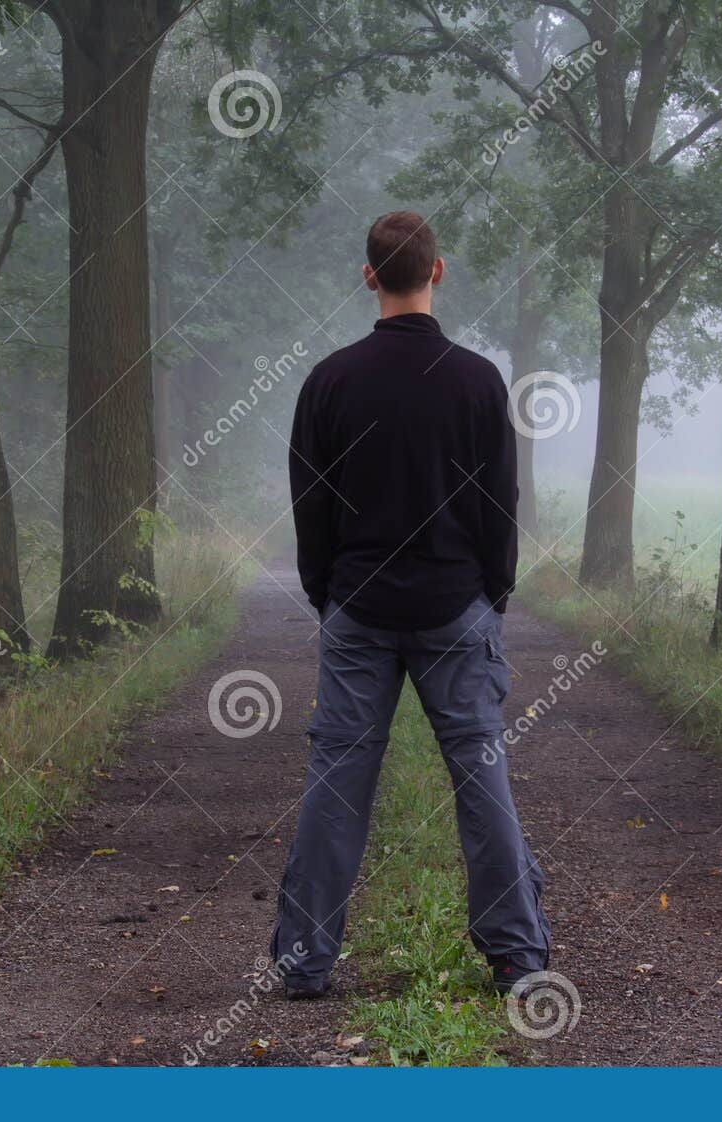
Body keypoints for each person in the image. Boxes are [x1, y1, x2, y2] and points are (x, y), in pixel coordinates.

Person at [271, 209, 552, 999]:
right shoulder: (475, 380)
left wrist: (328, 593)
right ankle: (515, 954)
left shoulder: (329, 381)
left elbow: (310, 506)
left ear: (369, 276)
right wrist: (492, 591)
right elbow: (501, 504)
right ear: (438, 271)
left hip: (358, 609)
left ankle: (304, 960)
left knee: (337, 783)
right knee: (482, 777)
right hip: (455, 607)